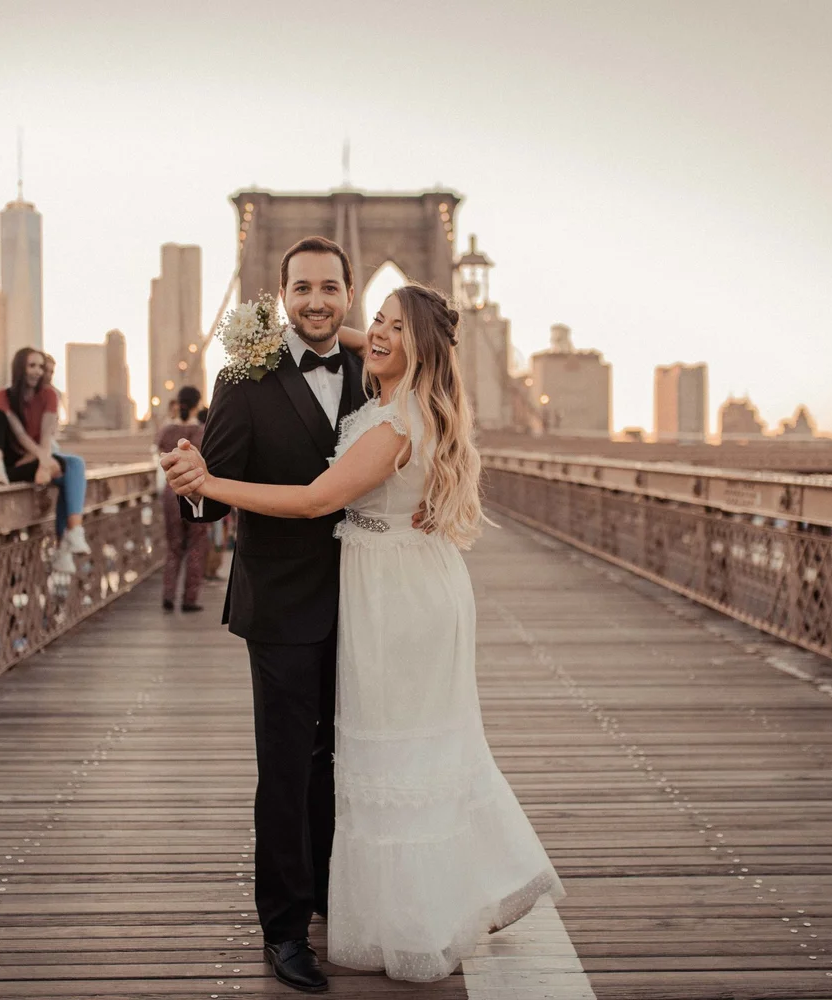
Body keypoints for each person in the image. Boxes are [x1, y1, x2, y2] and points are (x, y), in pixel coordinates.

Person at [165, 279, 562, 986]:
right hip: (400, 584)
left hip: (398, 601)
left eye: (391, 326)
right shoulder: (401, 388)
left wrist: (210, 482)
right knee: (417, 752)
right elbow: (352, 337)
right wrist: (307, 327)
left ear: (423, 346)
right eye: (372, 319)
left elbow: (318, 499)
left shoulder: (395, 422)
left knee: (395, 759)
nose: (372, 333)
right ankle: (438, 898)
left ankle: (418, 918)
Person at [167, 236, 366, 993]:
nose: (315, 300)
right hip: (280, 600)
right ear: (281, 295)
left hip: (368, 599)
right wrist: (191, 481)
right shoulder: (242, 379)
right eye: (302, 288)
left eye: (329, 288)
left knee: (343, 760)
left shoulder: (376, 371)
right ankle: (284, 930)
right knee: (284, 767)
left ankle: (332, 897)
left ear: (349, 296)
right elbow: (209, 497)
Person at [0, 346, 91, 574]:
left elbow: (46, 436)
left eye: (41, 367)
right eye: (33, 366)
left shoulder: (50, 395)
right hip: (6, 453)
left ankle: (70, 536)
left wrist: (43, 463)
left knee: (72, 468)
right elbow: (19, 434)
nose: (38, 371)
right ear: (20, 367)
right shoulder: (4, 395)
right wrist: (44, 462)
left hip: (31, 456)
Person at [156, 386, 208, 612]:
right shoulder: (204, 431)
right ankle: (190, 599)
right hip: (196, 491)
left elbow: (158, 457)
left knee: (173, 546)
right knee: (197, 545)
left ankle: (168, 594)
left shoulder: (166, 431)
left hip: (171, 490)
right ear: (198, 404)